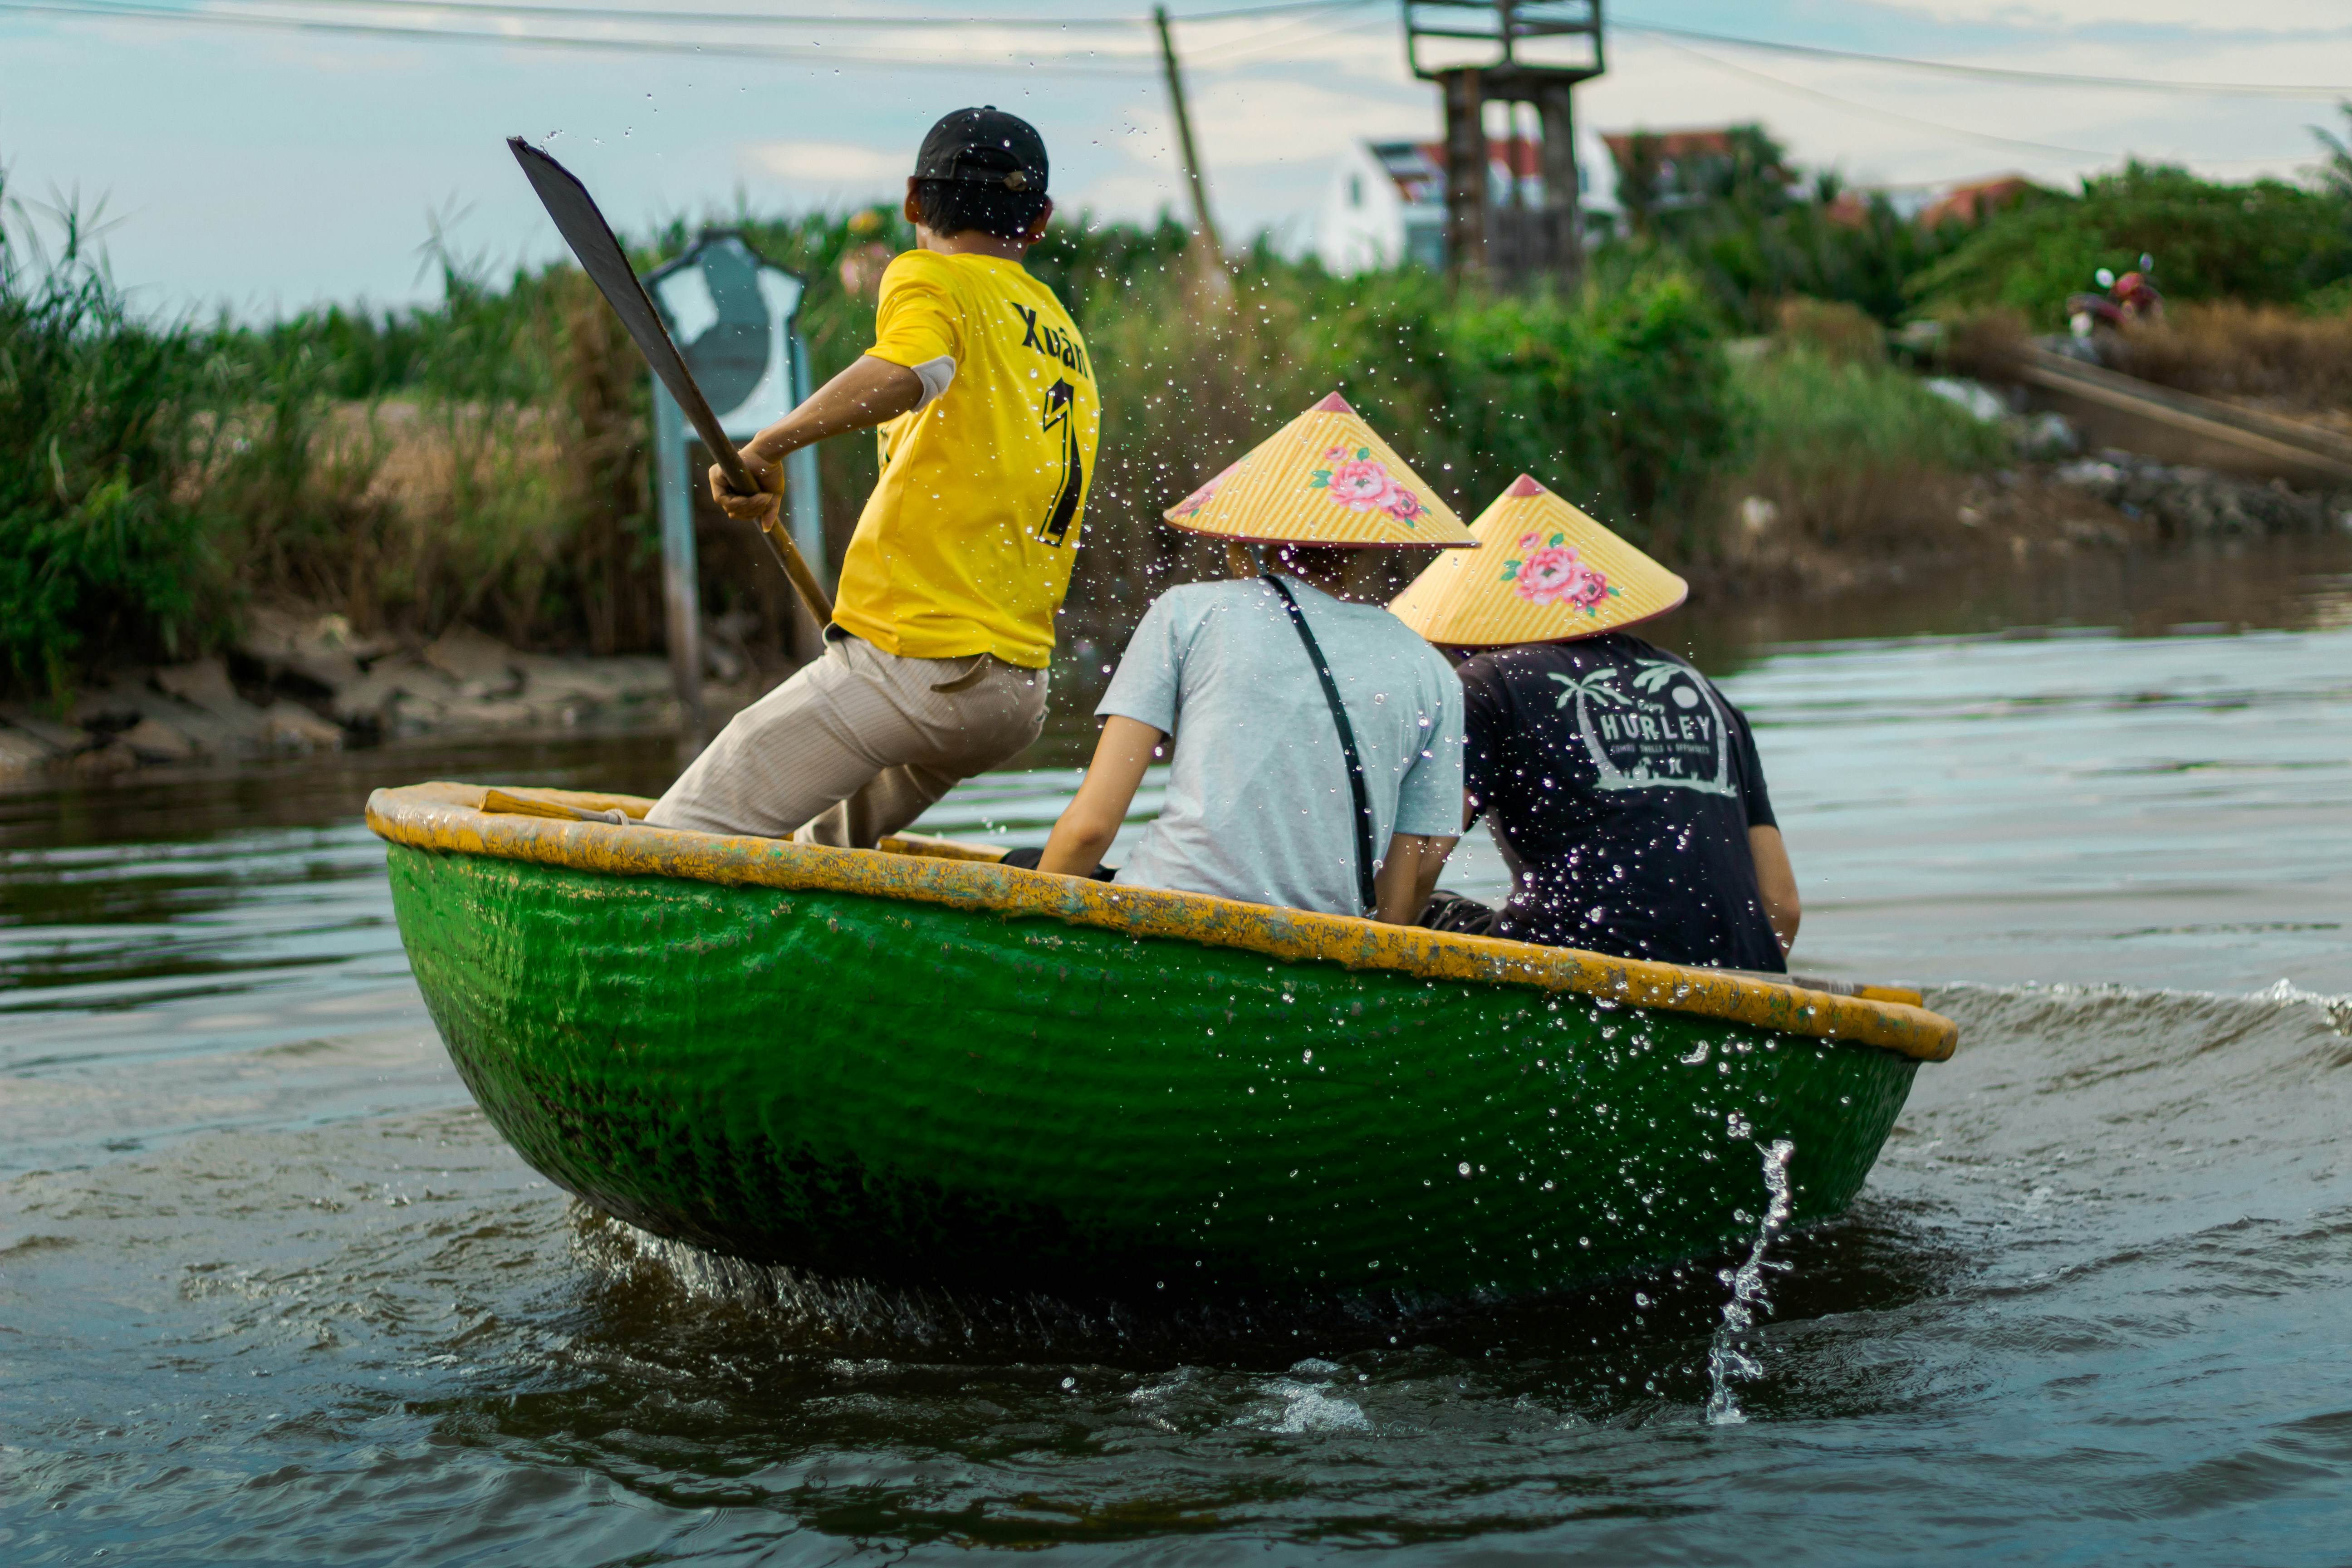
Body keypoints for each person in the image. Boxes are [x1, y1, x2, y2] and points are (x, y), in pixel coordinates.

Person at [646, 107, 1098, 846]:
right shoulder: (1060, 329)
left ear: (914, 203)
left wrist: (770, 445)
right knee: (825, 851)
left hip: (925, 666)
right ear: (1040, 219)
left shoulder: (926, 274)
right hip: (1016, 692)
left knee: (687, 829)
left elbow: (914, 369)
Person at [1031, 394, 1477, 923]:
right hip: (1320, 947)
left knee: (1022, 862)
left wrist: (1024, 937)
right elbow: (1404, 895)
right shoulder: (1431, 670)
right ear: (1371, 543)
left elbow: (1090, 829)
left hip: (1165, 918)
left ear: (1246, 529)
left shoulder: (1189, 612)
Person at [1389, 475, 1799, 970]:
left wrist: (1373, 967)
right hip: (1743, 981)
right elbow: (1782, 906)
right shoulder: (1705, 693)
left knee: (1434, 912)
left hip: (1581, 979)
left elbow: (1420, 864)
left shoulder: (1493, 682)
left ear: (1474, 626)